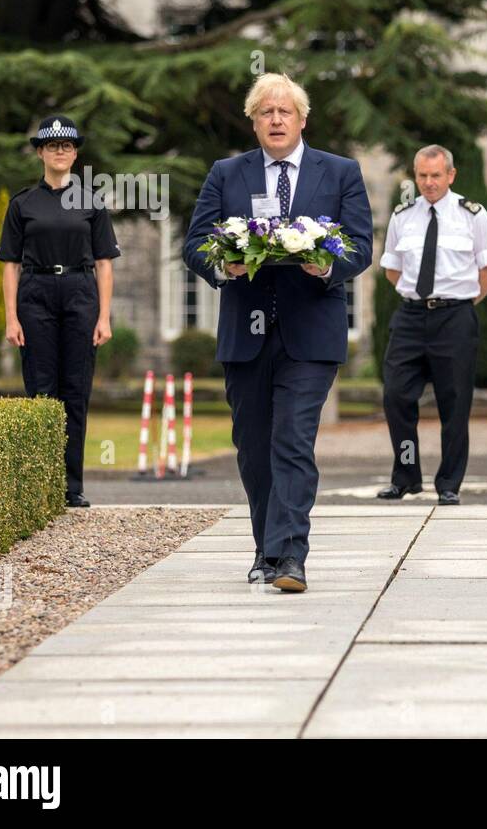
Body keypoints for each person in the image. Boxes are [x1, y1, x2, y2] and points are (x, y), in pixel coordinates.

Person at [182, 73, 373, 592]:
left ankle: (289, 557)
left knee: (292, 440)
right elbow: (195, 243)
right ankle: (265, 551)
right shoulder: (227, 174)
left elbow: (360, 245)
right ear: (253, 122)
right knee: (253, 448)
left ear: (302, 120)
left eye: (285, 111)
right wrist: (224, 265)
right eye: (265, 112)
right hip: (245, 334)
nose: (276, 119)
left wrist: (327, 265)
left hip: (311, 335)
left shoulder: (341, 172)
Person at [0, 115, 119, 508]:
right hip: (36, 295)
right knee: (41, 391)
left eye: (66, 146)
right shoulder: (22, 204)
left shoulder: (91, 202)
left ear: (75, 153)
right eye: (52, 146)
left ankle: (71, 487)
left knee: (75, 391)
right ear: (40, 153)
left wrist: (104, 316)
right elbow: (10, 265)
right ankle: (41, 487)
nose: (59, 152)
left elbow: (104, 263)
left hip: (80, 294)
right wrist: (11, 317)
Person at [376, 145, 487, 506]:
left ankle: (449, 483)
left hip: (455, 318)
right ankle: (406, 476)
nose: (429, 183)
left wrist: (463, 302)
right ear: (415, 176)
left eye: (435, 175)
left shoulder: (473, 215)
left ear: (451, 175)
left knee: (455, 403)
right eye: (422, 176)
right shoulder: (403, 216)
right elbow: (392, 269)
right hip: (411, 316)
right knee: (396, 396)